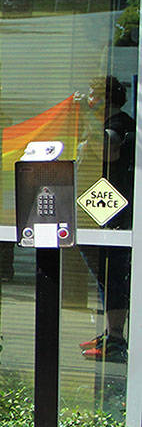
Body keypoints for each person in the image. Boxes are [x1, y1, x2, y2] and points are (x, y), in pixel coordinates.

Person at [79, 76, 135, 361]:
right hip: (100, 209)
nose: (89, 101)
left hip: (114, 214)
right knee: (104, 273)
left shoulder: (120, 124)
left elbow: (109, 152)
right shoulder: (103, 125)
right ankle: (111, 330)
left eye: (93, 95)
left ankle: (115, 337)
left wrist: (88, 120)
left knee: (112, 273)